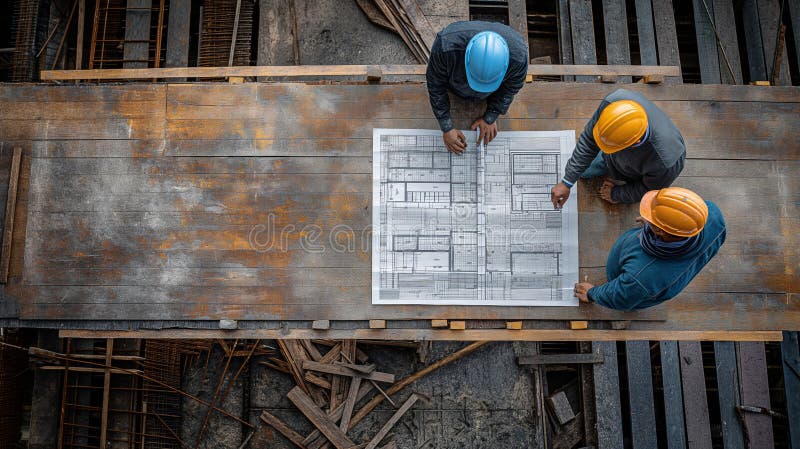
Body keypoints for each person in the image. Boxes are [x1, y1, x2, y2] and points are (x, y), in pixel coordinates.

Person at [573, 187, 726, 311]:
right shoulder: (712, 215)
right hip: (654, 277)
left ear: (660, 231)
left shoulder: (642, 277)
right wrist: (654, 222)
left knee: (624, 291)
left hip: (634, 289)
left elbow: (620, 298)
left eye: (653, 222)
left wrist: (592, 294)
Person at [550, 89, 686, 207]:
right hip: (618, 160)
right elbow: (589, 140)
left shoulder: (666, 162)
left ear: (634, 143)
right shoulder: (614, 103)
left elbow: (649, 189)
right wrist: (567, 181)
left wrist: (617, 194)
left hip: (633, 173)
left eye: (610, 147)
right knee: (584, 172)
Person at [426, 21, 528, 154]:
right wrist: (446, 127)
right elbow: (435, 84)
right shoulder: (445, 46)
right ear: (467, 57)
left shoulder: (518, 58)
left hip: (490, 95)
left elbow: (511, 87)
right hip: (454, 86)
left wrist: (491, 116)